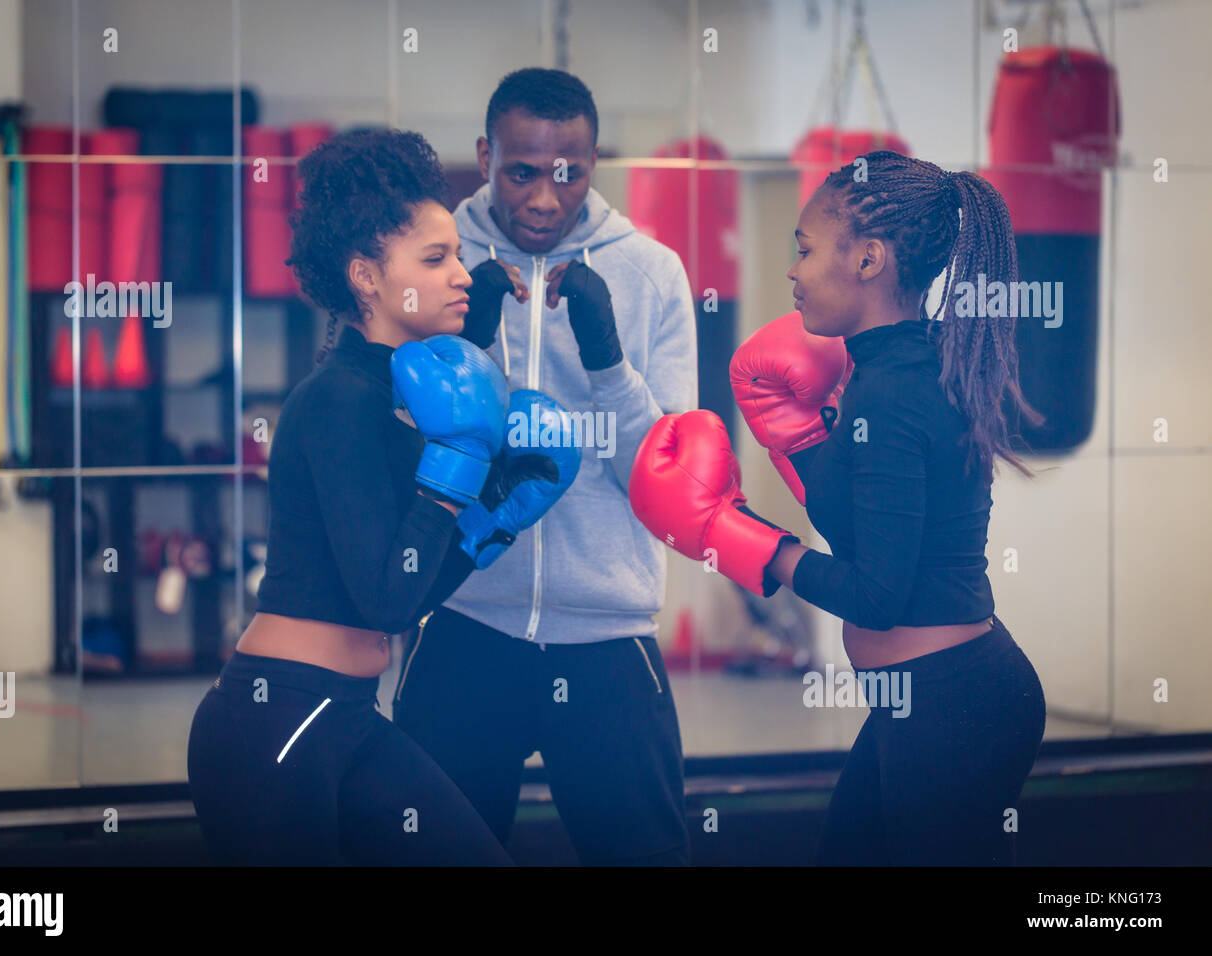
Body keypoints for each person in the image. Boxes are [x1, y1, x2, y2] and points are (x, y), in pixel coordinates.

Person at [631, 150, 1047, 865]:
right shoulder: (908, 365)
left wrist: (739, 537)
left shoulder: (890, 391)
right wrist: (793, 434)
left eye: (804, 248)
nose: (791, 270)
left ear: (869, 259)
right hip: (940, 695)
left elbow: (877, 595)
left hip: (950, 704)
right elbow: (862, 523)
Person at [186, 128, 576, 865]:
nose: (463, 274)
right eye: (436, 258)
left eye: (457, 252)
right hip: (278, 719)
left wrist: (496, 517)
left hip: (351, 718)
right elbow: (387, 603)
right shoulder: (336, 400)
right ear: (367, 278)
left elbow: (414, 587)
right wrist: (462, 469)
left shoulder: (407, 402)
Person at [390, 68, 699, 866]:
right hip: (463, 619)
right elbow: (398, 446)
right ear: (485, 155)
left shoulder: (653, 273)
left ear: (594, 162)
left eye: (567, 174)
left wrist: (607, 363)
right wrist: (473, 348)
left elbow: (668, 484)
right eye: (520, 171)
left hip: (608, 631)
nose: (541, 199)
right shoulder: (432, 258)